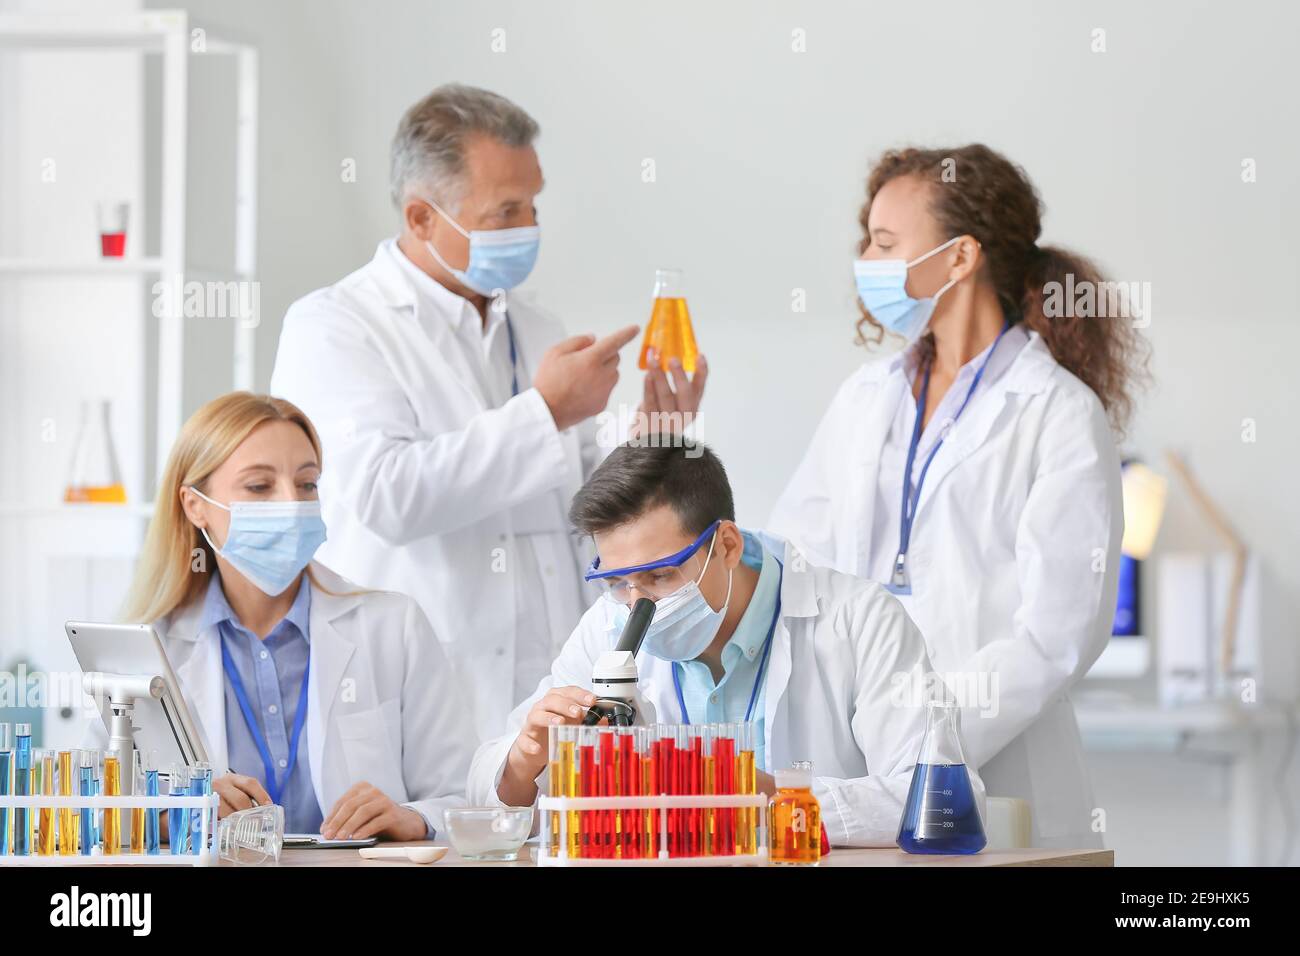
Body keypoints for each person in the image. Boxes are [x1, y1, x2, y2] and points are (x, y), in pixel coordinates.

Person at [270, 84, 705, 740]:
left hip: (551, 692)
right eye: (505, 212)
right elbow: (384, 498)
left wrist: (651, 443)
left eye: (533, 205)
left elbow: (586, 518)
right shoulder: (335, 326)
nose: (528, 228)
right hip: (417, 693)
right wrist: (545, 411)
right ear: (421, 218)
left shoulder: (537, 327)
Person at [769, 144, 1149, 848]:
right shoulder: (866, 398)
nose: (867, 263)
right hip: (857, 763)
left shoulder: (1057, 412)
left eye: (886, 244)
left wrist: (928, 736)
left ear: (959, 257)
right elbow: (797, 562)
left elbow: (1058, 632)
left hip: (1001, 767)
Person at [468, 440, 974, 847]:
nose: (636, 604)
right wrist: (520, 764)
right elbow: (485, 799)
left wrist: (771, 796)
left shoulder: (857, 619)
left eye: (662, 575)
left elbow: (944, 803)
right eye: (618, 580)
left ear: (726, 545)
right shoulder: (607, 623)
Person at [114, 392, 474, 840]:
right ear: (195, 504)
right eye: (260, 486)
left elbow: (464, 796)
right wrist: (173, 818)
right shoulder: (146, 648)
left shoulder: (392, 625)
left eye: (307, 484)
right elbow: (103, 808)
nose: (292, 503)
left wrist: (414, 819)